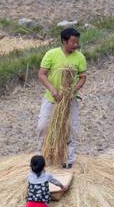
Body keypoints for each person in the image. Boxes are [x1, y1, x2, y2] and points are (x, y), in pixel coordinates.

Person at [37, 27, 87, 168]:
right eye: (72, 42)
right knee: (43, 126)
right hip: (51, 98)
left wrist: (73, 90)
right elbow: (42, 74)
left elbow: (83, 78)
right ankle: (43, 157)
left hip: (69, 100)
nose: (76, 45)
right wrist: (53, 90)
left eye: (77, 42)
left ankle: (68, 160)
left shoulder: (80, 57)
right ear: (64, 41)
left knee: (70, 127)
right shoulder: (51, 54)